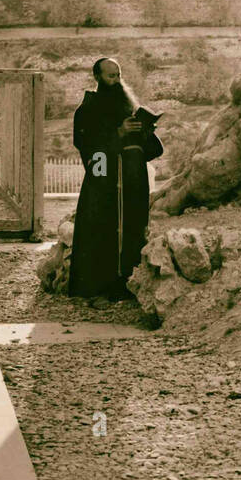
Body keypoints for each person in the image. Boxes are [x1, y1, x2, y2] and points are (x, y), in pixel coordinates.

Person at [67, 57, 163, 304]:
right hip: (104, 183)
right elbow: (87, 146)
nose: (116, 80)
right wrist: (117, 135)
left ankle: (127, 283)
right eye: (110, 76)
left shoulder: (128, 106)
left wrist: (144, 132)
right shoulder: (87, 110)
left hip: (132, 183)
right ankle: (99, 286)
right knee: (102, 230)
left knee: (132, 229)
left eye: (118, 75)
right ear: (97, 77)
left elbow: (152, 151)